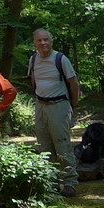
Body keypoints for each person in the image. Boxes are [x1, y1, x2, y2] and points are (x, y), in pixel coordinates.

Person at [27, 28, 81, 196]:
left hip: (59, 105)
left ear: (51, 41)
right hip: (40, 105)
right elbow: (33, 81)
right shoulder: (33, 59)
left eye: (46, 39)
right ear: (34, 43)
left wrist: (73, 106)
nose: (43, 43)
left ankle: (69, 182)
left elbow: (74, 84)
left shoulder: (61, 59)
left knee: (62, 144)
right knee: (43, 145)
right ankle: (51, 182)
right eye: (39, 40)